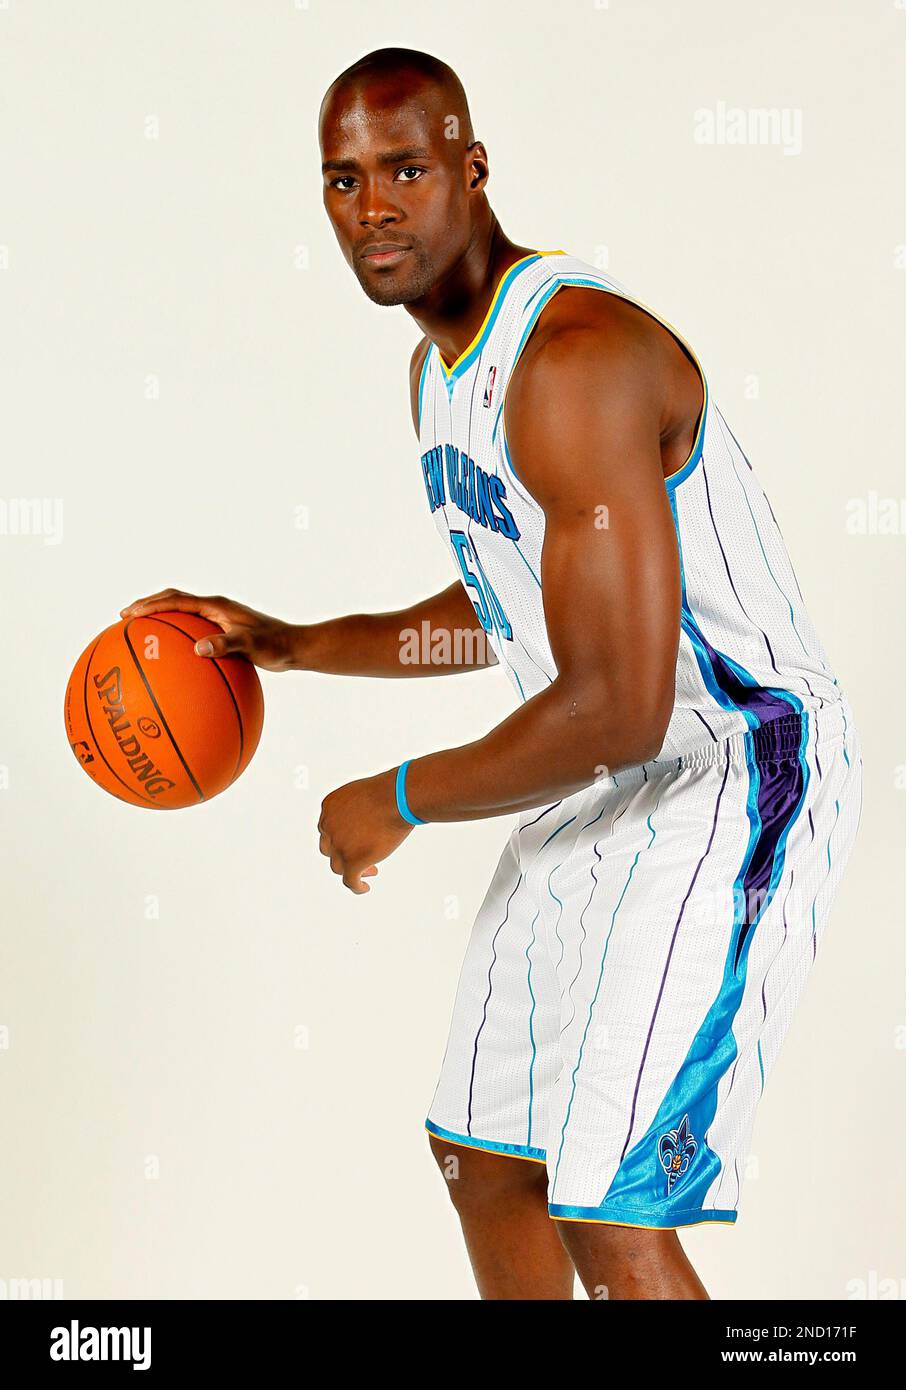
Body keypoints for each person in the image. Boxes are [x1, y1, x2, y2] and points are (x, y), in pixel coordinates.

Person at [121, 47, 863, 1300]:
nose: (374, 208)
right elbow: (504, 613)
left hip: (739, 771)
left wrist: (397, 796)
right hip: (607, 772)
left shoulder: (572, 361)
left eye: (405, 168)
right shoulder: (436, 374)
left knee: (608, 1201)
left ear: (472, 170)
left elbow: (619, 703)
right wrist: (295, 643)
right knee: (481, 1154)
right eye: (344, 180)